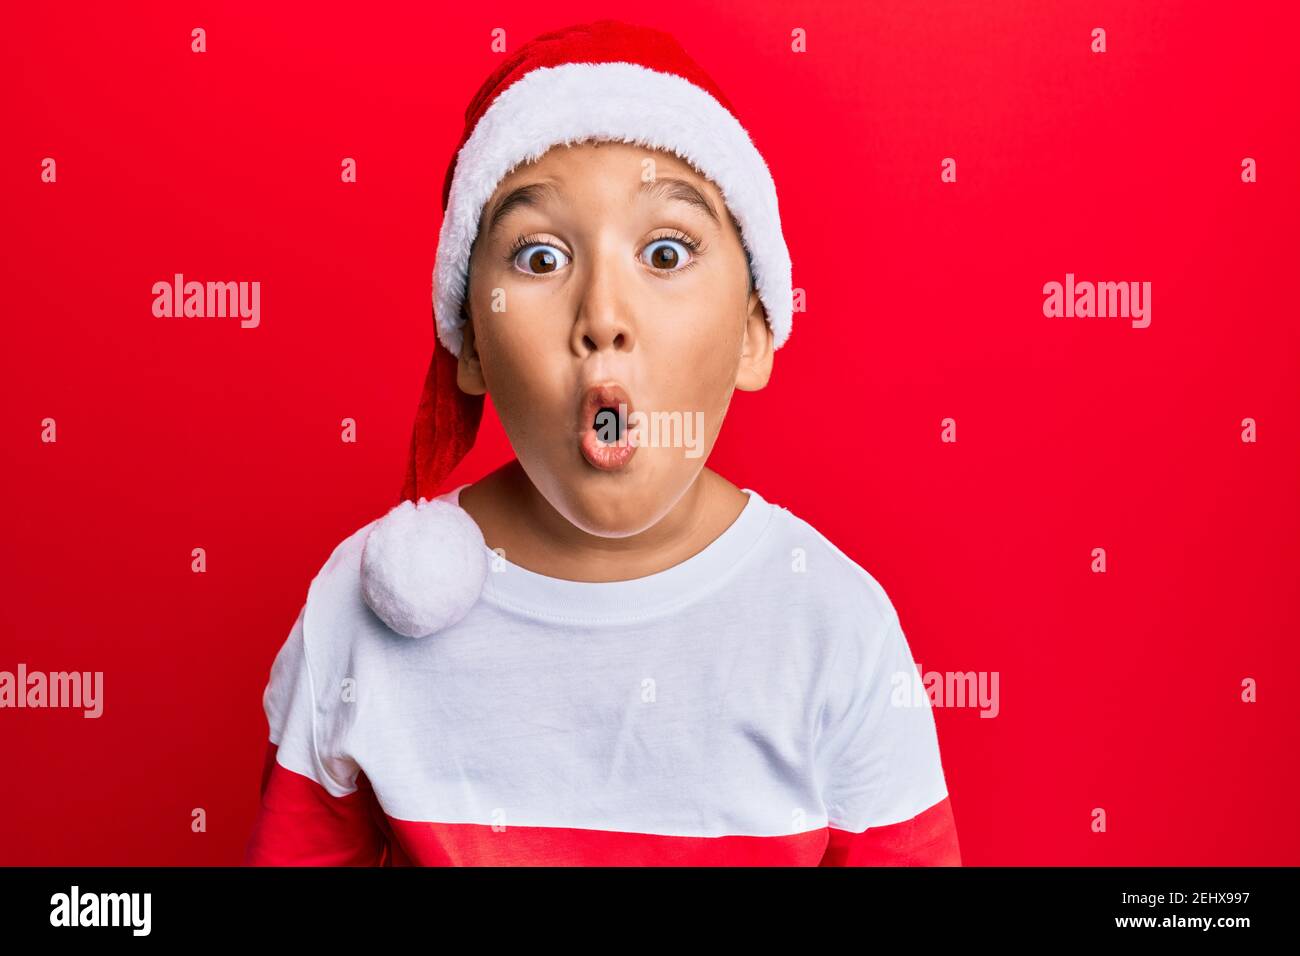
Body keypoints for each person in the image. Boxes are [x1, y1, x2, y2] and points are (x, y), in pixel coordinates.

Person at [244, 18, 960, 866]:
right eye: (540, 259)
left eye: (666, 251)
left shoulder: (836, 627)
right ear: (470, 342)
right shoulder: (359, 615)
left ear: (754, 334)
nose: (604, 318)